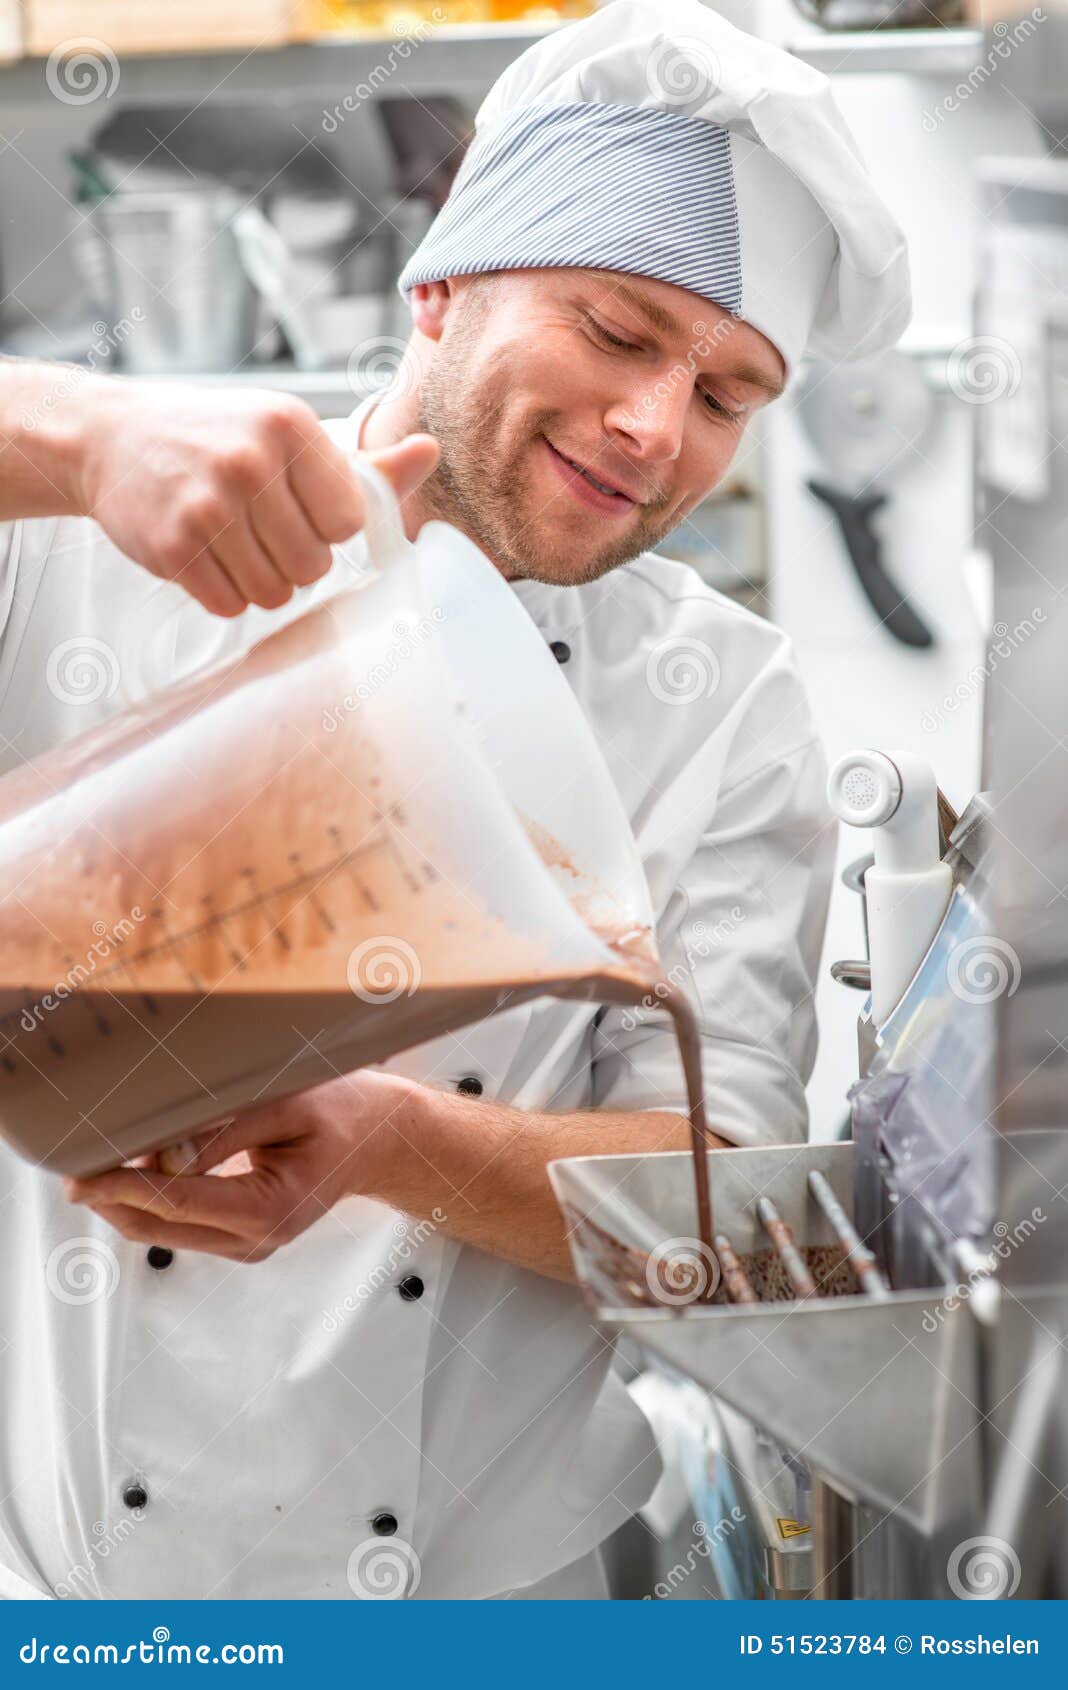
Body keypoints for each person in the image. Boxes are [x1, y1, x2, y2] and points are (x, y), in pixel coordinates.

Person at [0, 0, 909, 1600]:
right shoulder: (94, 534)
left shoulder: (727, 706)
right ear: (441, 280)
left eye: (728, 394)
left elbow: (728, 1231)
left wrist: (387, 1139)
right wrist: (81, 432)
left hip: (479, 1609)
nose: (656, 428)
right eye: (619, 331)